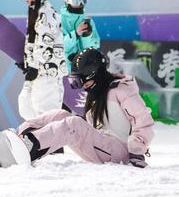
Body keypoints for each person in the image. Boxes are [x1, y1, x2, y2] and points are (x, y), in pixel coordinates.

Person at [14, 48, 153, 168]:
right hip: (102, 146)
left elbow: (143, 120)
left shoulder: (122, 90)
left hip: (120, 152)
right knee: (60, 114)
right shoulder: (98, 92)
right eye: (76, 81)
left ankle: (29, 145)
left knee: (74, 124)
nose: (81, 85)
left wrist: (136, 150)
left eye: (81, 80)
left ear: (95, 74)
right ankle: (17, 137)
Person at [16, 0, 67, 119]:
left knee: (45, 113)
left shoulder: (47, 14)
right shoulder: (36, 11)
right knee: (27, 109)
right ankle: (37, 139)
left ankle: (50, 140)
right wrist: (28, 62)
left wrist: (34, 66)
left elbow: (44, 44)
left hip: (48, 73)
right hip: (40, 71)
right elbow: (33, 41)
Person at [60, 0, 100, 71]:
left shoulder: (87, 21)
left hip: (85, 67)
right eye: (76, 1)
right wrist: (75, 34)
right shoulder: (59, 20)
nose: (81, 4)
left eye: (83, 0)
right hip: (66, 68)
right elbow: (60, 46)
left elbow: (94, 46)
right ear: (68, 2)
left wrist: (86, 36)